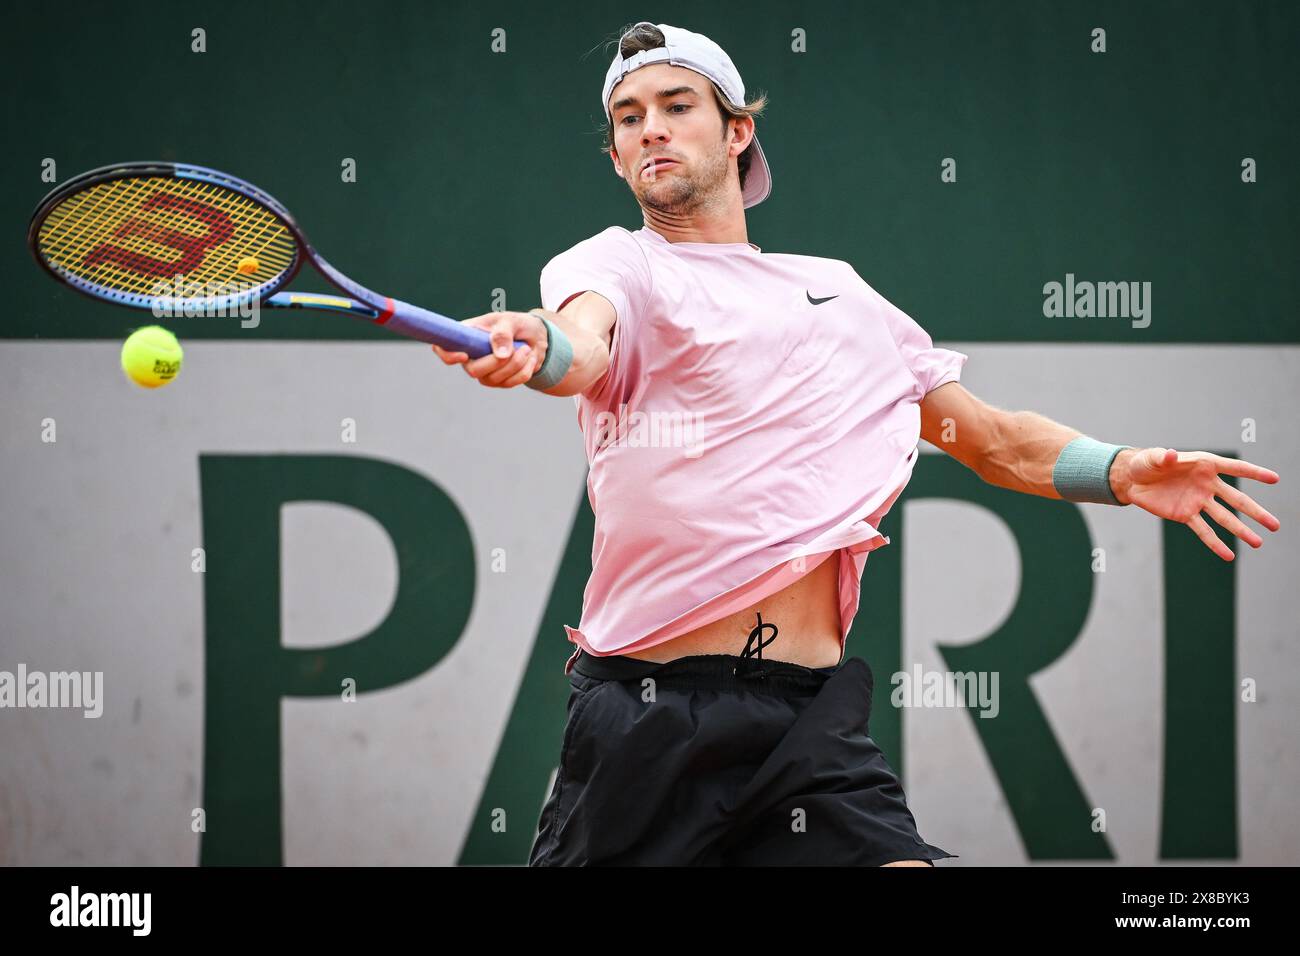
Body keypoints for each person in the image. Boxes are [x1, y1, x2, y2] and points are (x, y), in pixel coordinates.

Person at [432, 21, 1282, 866]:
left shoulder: (838, 296)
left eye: (676, 104)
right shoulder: (619, 266)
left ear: (737, 132)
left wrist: (1122, 469)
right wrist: (540, 346)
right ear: (616, 157)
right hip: (646, 720)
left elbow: (990, 442)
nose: (649, 127)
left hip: (804, 724)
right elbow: (585, 343)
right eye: (627, 117)